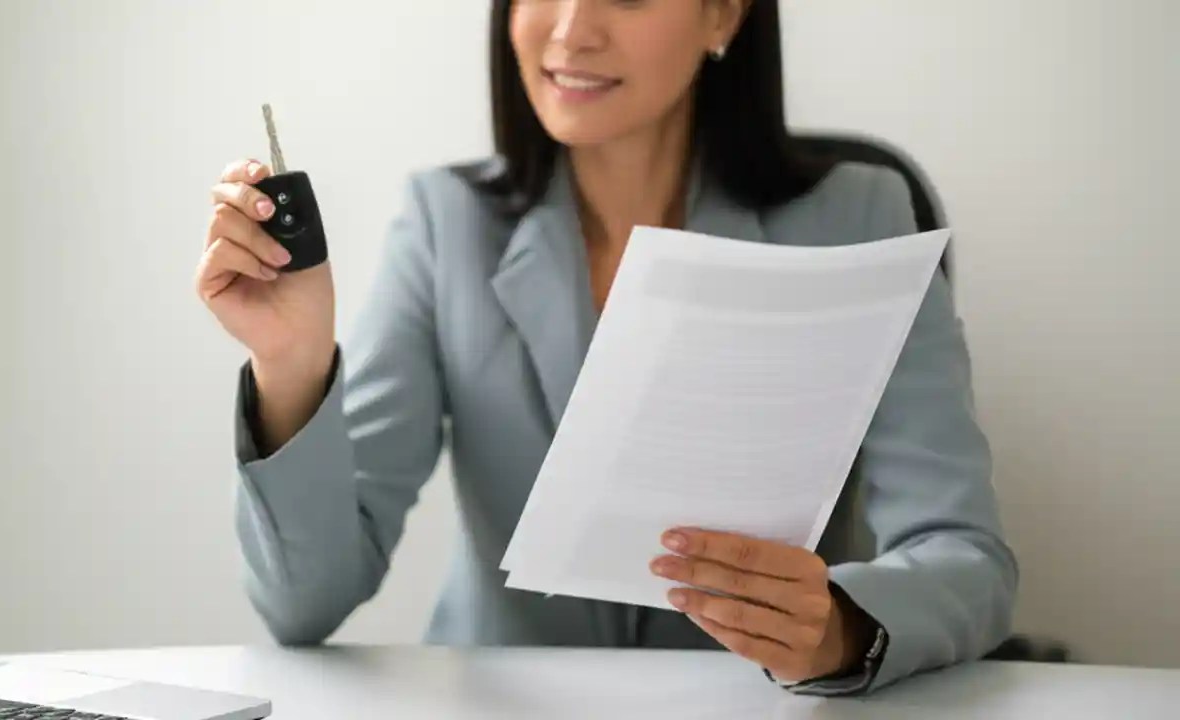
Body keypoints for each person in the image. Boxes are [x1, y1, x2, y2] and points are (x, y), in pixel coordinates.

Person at [196, 0, 1017, 696]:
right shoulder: (446, 224)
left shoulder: (858, 215)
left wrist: (838, 628)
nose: (571, 30)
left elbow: (965, 558)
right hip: (504, 707)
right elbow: (304, 607)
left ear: (724, 12)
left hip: (753, 707)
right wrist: (292, 362)